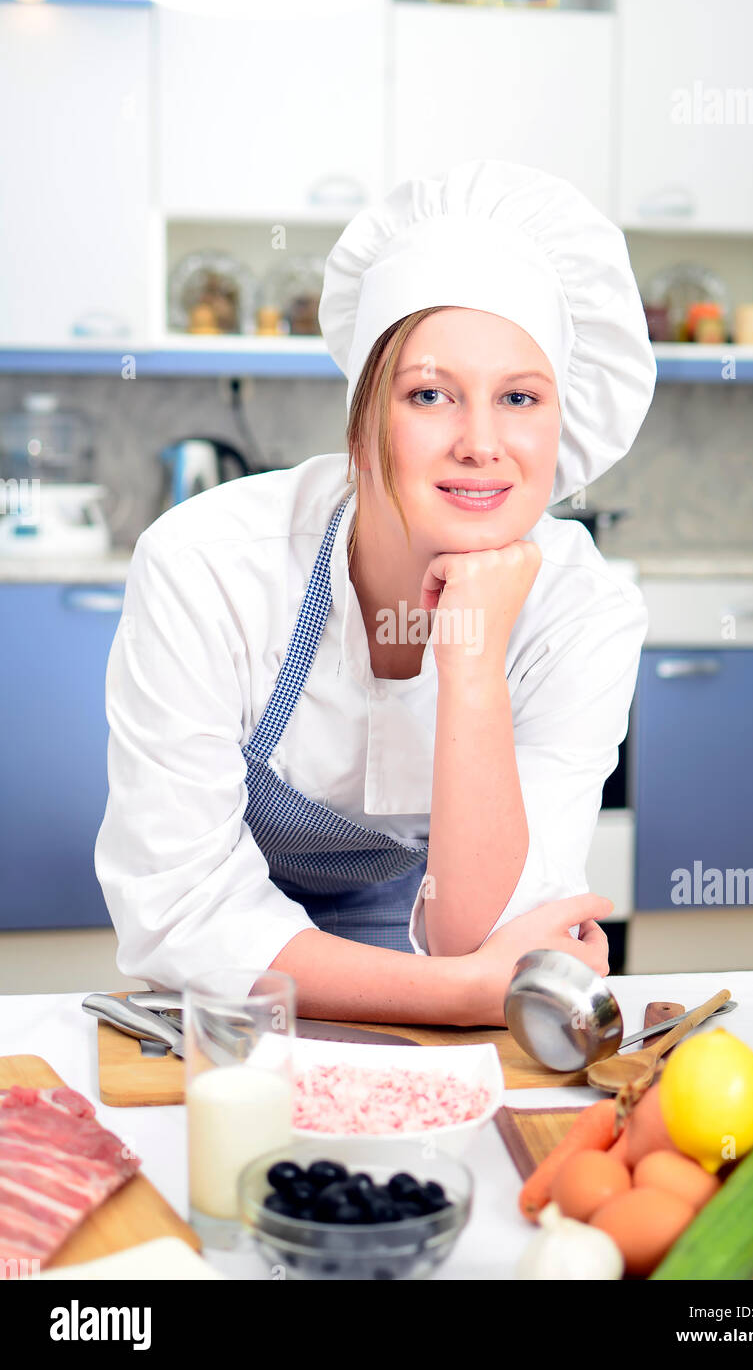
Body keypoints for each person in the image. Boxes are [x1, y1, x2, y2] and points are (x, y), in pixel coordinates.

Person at [94, 159, 656, 1026]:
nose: (481, 442)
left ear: (561, 422)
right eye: (429, 394)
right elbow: (180, 910)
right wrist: (458, 992)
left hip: (424, 952)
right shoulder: (207, 565)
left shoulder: (583, 611)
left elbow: (487, 933)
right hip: (225, 990)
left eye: (518, 397)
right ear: (363, 418)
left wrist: (470, 657)